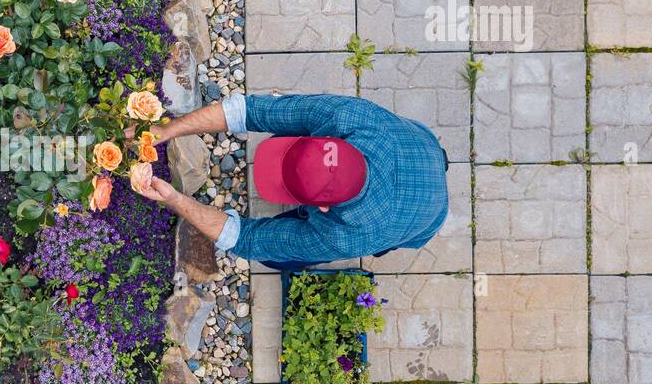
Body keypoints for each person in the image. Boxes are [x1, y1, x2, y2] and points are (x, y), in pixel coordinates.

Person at [132, 92, 450, 269]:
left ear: (323, 209)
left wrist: (175, 200)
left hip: (426, 218)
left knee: (278, 256)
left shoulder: (346, 236)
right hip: (423, 148)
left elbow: (248, 240)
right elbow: (252, 111)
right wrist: (166, 130)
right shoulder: (350, 117)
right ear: (332, 140)